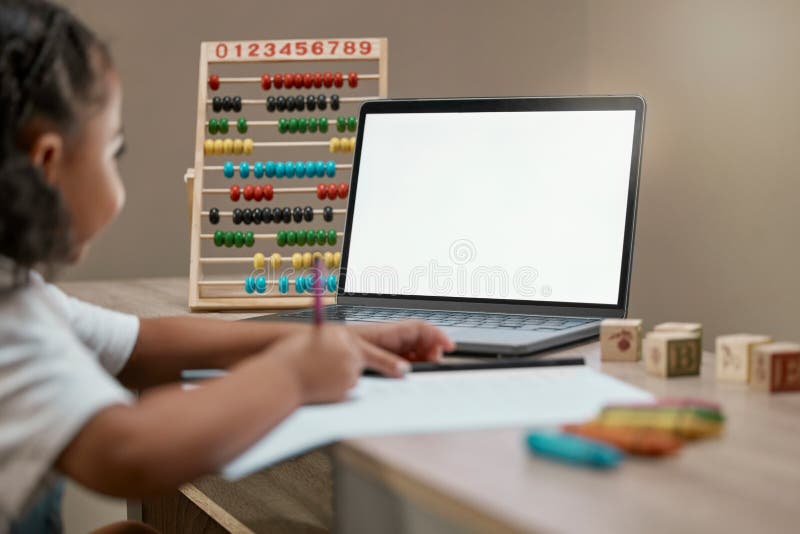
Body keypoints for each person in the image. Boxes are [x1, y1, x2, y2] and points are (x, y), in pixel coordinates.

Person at [0, 1, 454, 531]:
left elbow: (139, 347)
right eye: (113, 151)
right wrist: (295, 376)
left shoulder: (22, 297)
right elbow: (127, 453)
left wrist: (330, 340)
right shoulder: (11, 323)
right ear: (47, 163)